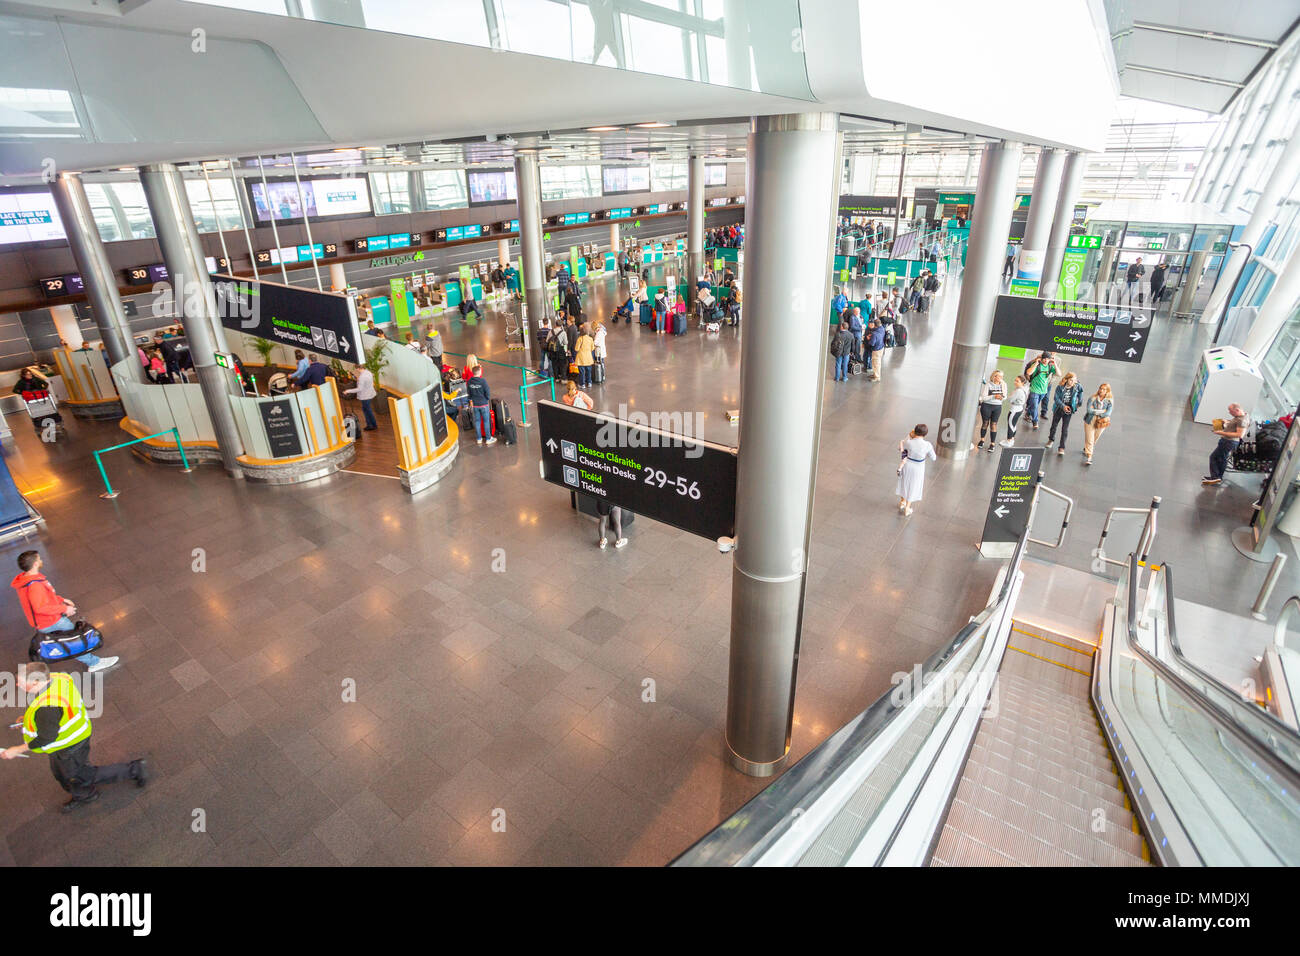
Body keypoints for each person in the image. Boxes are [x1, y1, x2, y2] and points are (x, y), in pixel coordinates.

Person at [1, 661, 147, 812]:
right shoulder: (58, 679)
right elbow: (53, 716)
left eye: (21, 682)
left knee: (81, 775)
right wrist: (28, 721)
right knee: (63, 773)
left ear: (36, 682)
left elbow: (46, 737)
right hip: (73, 737)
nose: (18, 685)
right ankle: (84, 794)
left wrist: (17, 750)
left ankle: (134, 770)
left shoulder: (47, 707)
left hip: (69, 745)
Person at [11, 551, 118, 675]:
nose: (41, 561)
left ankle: (92, 662)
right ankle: (94, 663)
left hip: (46, 621)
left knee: (72, 641)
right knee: (75, 642)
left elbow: (46, 598)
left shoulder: (26, 580)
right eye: (39, 559)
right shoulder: (35, 585)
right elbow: (40, 608)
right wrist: (64, 609)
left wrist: (61, 600)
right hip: (52, 622)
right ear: (35, 564)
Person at [1203, 403, 1250, 485]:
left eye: (1231, 411)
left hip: (1228, 442)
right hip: (1228, 442)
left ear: (1237, 410)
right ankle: (1217, 477)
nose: (1229, 412)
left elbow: (1240, 435)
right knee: (1222, 459)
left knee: (1214, 457)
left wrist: (1221, 432)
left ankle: (1215, 477)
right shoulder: (1243, 416)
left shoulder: (1242, 420)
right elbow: (1237, 425)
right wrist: (1228, 422)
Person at [896, 424, 937, 517]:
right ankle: (907, 507)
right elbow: (934, 458)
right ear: (925, 434)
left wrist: (909, 436)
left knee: (904, 482)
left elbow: (900, 448)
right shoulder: (927, 445)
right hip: (918, 467)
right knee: (913, 485)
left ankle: (902, 502)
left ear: (914, 431)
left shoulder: (909, 442)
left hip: (907, 464)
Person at [1046, 371, 1083, 456]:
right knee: (1054, 425)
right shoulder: (1060, 387)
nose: (1073, 382)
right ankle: (1051, 440)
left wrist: (1078, 403)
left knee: (1065, 429)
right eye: (1071, 380)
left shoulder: (1077, 386)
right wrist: (1063, 406)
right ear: (1066, 379)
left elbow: (1081, 391)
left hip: (1069, 410)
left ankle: (1062, 447)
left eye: (1074, 380)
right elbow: (1056, 398)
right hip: (1059, 409)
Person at [1023, 351, 1059, 429]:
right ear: (1042, 358)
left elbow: (1059, 374)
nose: (1046, 360)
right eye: (1044, 358)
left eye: (1048, 359)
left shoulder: (1050, 367)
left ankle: (1027, 414)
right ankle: (1035, 422)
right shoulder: (1037, 365)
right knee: (1035, 406)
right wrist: (1036, 363)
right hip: (1034, 390)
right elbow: (1028, 373)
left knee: (1033, 406)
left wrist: (1055, 363)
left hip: (1043, 391)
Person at [1081, 383, 1113, 465]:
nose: (1101, 390)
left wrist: (1096, 411)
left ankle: (1087, 448)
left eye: (1104, 389)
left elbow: (1108, 413)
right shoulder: (1092, 398)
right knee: (1090, 439)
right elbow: (1089, 410)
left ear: (1107, 391)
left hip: (1101, 422)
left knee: (1095, 438)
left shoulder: (1109, 401)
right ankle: (1089, 457)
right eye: (1100, 388)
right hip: (1090, 420)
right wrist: (1102, 411)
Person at [975, 370, 1007, 452]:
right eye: (999, 376)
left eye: (1002, 376)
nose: (1001, 378)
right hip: (987, 406)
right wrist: (993, 396)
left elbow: (1005, 397)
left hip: (997, 407)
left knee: (994, 425)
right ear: (994, 376)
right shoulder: (988, 384)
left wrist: (1002, 397)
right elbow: (984, 398)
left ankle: (992, 444)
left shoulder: (1003, 384)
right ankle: (982, 440)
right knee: (985, 423)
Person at [465, 365, 496, 445]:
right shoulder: (483, 381)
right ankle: (488, 439)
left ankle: (479, 439)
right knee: (486, 421)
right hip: (483, 404)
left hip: (475, 405)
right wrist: (487, 398)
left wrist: (470, 400)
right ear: (480, 372)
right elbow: (487, 392)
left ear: (473, 373)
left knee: (477, 422)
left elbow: (469, 393)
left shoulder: (469, 381)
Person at [344, 363, 378, 431]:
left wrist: (348, 391)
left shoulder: (362, 377)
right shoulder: (368, 372)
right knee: (366, 410)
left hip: (365, 396)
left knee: (367, 411)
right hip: (370, 393)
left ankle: (372, 425)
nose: (356, 370)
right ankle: (371, 424)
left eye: (356, 369)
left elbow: (359, 389)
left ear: (358, 368)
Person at [1000, 376, 1030, 446]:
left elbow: (1010, 400)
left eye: (1017, 381)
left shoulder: (1018, 391)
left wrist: (1011, 394)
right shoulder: (1024, 389)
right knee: (1013, 424)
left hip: (1014, 410)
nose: (1015, 382)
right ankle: (1012, 439)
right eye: (1015, 380)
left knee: (1011, 425)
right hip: (1019, 409)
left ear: (1022, 383)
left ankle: (1008, 441)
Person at [574, 323, 596, 388]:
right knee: (588, 371)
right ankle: (589, 383)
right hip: (588, 358)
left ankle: (582, 384)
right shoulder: (590, 339)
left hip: (581, 359)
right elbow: (592, 348)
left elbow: (576, 349)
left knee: (582, 372)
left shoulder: (580, 339)